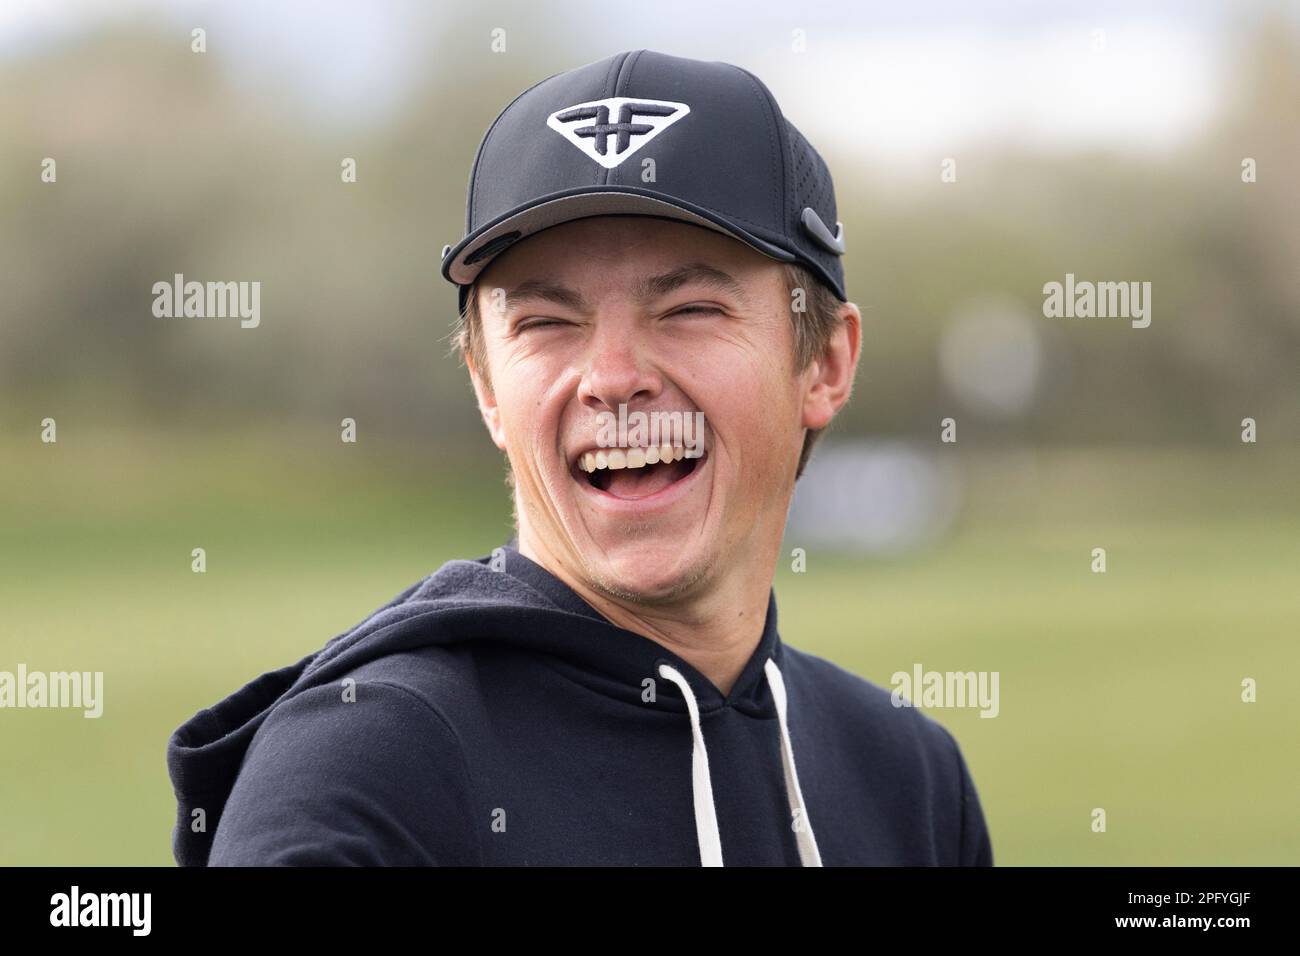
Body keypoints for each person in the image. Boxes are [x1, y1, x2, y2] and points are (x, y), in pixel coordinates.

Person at [167, 48, 993, 867]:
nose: (613, 378)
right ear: (487, 387)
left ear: (825, 364)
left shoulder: (909, 778)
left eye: (691, 307)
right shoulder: (364, 774)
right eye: (546, 322)